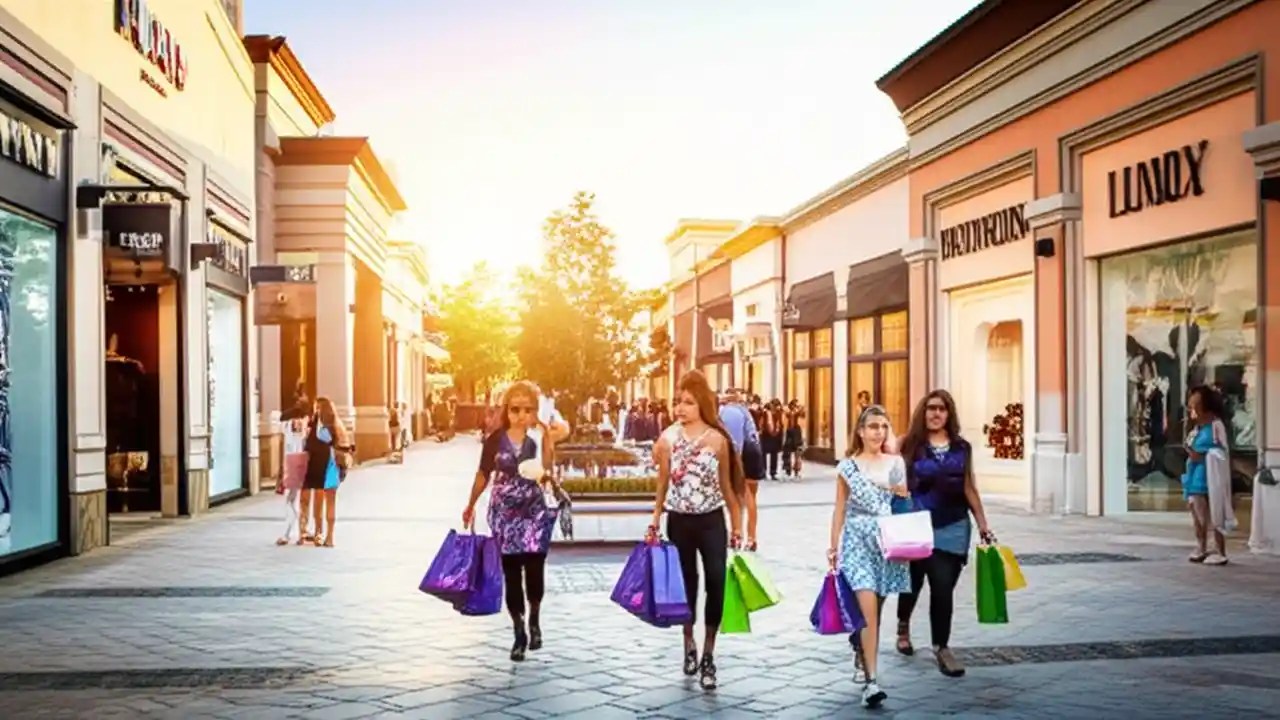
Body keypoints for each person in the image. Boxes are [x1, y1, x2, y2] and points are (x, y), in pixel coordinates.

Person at [647, 370, 745, 691]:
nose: (681, 408)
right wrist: (655, 518)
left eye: (688, 402)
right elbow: (662, 484)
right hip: (679, 521)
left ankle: (709, 653)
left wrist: (738, 526)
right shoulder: (668, 439)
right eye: (678, 402)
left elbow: (728, 488)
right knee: (687, 584)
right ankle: (688, 641)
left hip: (711, 521)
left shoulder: (718, 441)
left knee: (716, 581)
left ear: (702, 403)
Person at [894, 389, 993, 677]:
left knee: (942, 586)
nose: (936, 413)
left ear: (949, 414)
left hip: (953, 525)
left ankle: (941, 646)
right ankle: (903, 626)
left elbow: (968, 486)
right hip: (917, 526)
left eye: (942, 409)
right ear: (923, 412)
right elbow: (896, 484)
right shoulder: (908, 445)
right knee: (912, 582)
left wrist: (983, 523)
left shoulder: (962, 447)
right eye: (931, 408)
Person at [462, 381, 559, 662]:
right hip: (505, 514)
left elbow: (548, 470)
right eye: (515, 409)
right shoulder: (495, 439)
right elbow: (483, 473)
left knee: (535, 567)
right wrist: (470, 504)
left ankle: (535, 618)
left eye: (527, 409)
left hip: (534, 511)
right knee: (512, 572)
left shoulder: (537, 438)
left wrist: (547, 438)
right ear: (507, 410)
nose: (520, 415)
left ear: (535, 411)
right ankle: (519, 631)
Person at [829, 404, 910, 708]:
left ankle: (861, 650)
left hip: (886, 542)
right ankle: (871, 681)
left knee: (877, 605)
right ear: (861, 431)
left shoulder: (895, 463)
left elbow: (903, 500)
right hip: (857, 542)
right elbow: (839, 509)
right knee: (868, 610)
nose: (879, 432)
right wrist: (833, 546)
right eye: (873, 426)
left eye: (884, 426)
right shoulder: (847, 467)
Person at [1183, 384, 1231, 565]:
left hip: (1210, 476)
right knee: (1197, 514)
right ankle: (1201, 546)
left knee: (1215, 512)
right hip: (1194, 475)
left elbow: (1221, 450)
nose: (1192, 411)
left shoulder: (1216, 426)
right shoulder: (1197, 429)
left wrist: (1203, 455)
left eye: (1196, 406)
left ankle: (1219, 549)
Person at [719, 389, 764, 550]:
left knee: (739, 495)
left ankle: (736, 534)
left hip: (744, 453)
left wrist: (733, 463)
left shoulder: (728, 412)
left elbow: (735, 441)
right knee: (751, 495)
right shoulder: (744, 410)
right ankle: (751, 537)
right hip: (755, 451)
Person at [304, 397, 351, 548]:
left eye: (317, 408)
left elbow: (313, 443)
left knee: (320, 500)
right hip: (336, 467)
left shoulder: (321, 428)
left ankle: (320, 532)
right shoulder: (338, 424)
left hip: (325, 465)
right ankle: (330, 536)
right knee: (331, 502)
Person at [762, 399, 784, 481]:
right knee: (763, 454)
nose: (774, 407)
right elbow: (762, 423)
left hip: (775, 436)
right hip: (766, 436)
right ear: (770, 405)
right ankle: (763, 472)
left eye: (776, 405)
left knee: (774, 454)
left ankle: (773, 473)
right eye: (773, 405)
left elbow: (781, 424)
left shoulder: (778, 413)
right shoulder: (765, 413)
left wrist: (780, 434)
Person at [783, 399, 806, 480]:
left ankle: (796, 471)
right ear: (791, 405)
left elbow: (803, 417)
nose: (795, 406)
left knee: (797, 453)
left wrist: (801, 409)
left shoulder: (798, 412)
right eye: (795, 404)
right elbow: (784, 421)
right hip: (789, 432)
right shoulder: (787, 412)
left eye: (796, 405)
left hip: (796, 433)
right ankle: (787, 471)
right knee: (787, 452)